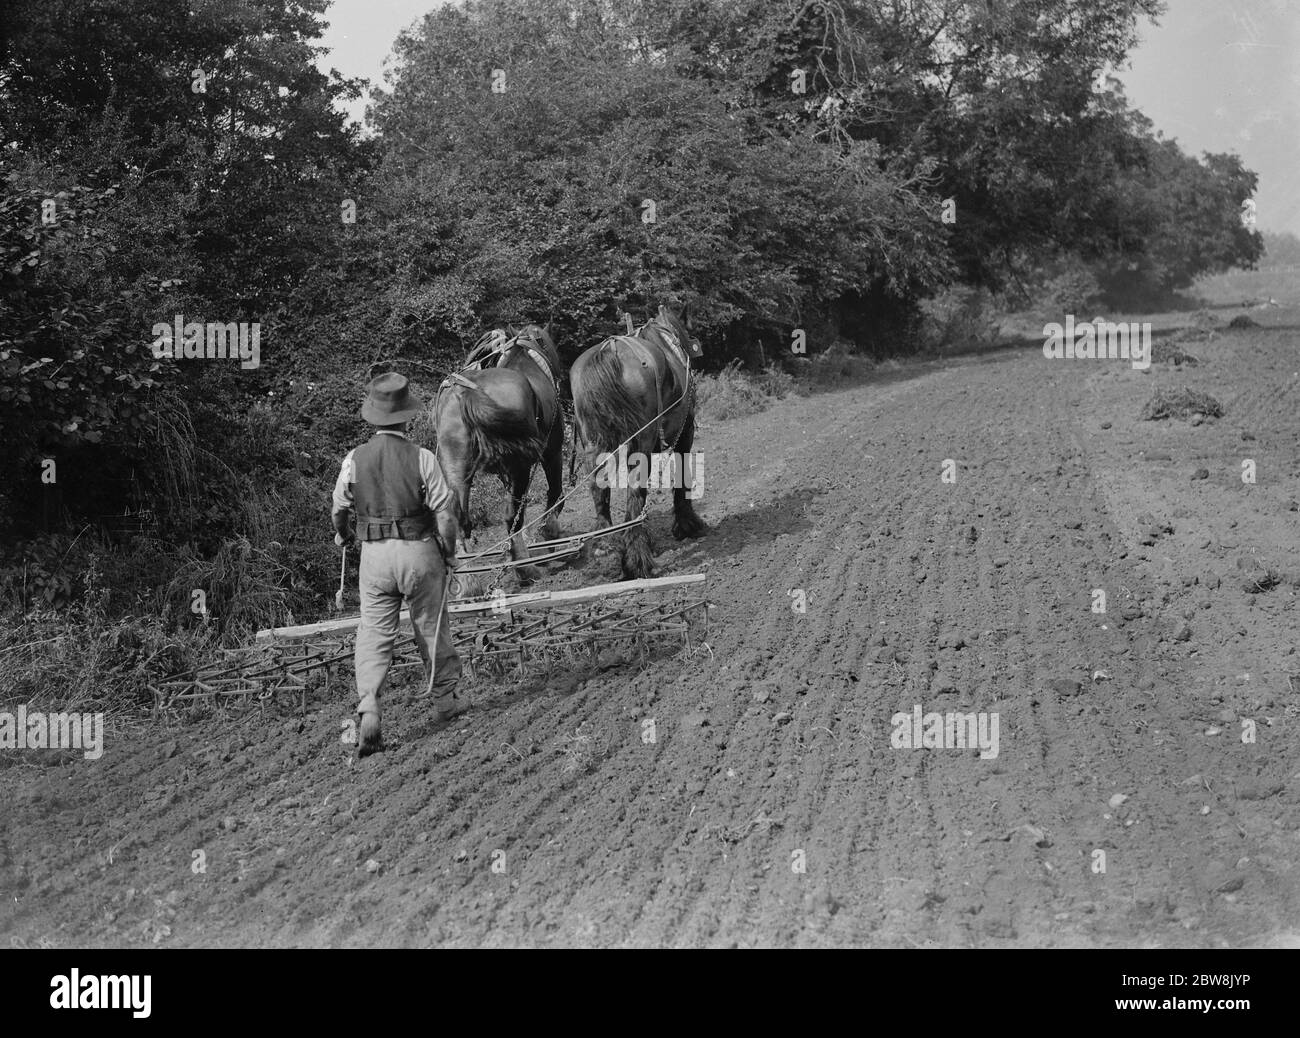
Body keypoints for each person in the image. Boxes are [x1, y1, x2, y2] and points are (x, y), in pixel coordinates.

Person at [331, 372, 465, 755]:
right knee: (431, 626)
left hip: (374, 558)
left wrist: (343, 534)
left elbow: (339, 509)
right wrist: (450, 552)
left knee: (373, 631)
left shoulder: (353, 459)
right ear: (406, 417)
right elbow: (445, 515)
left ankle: (369, 705)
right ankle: (445, 702)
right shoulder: (422, 458)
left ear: (373, 418)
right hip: (418, 552)